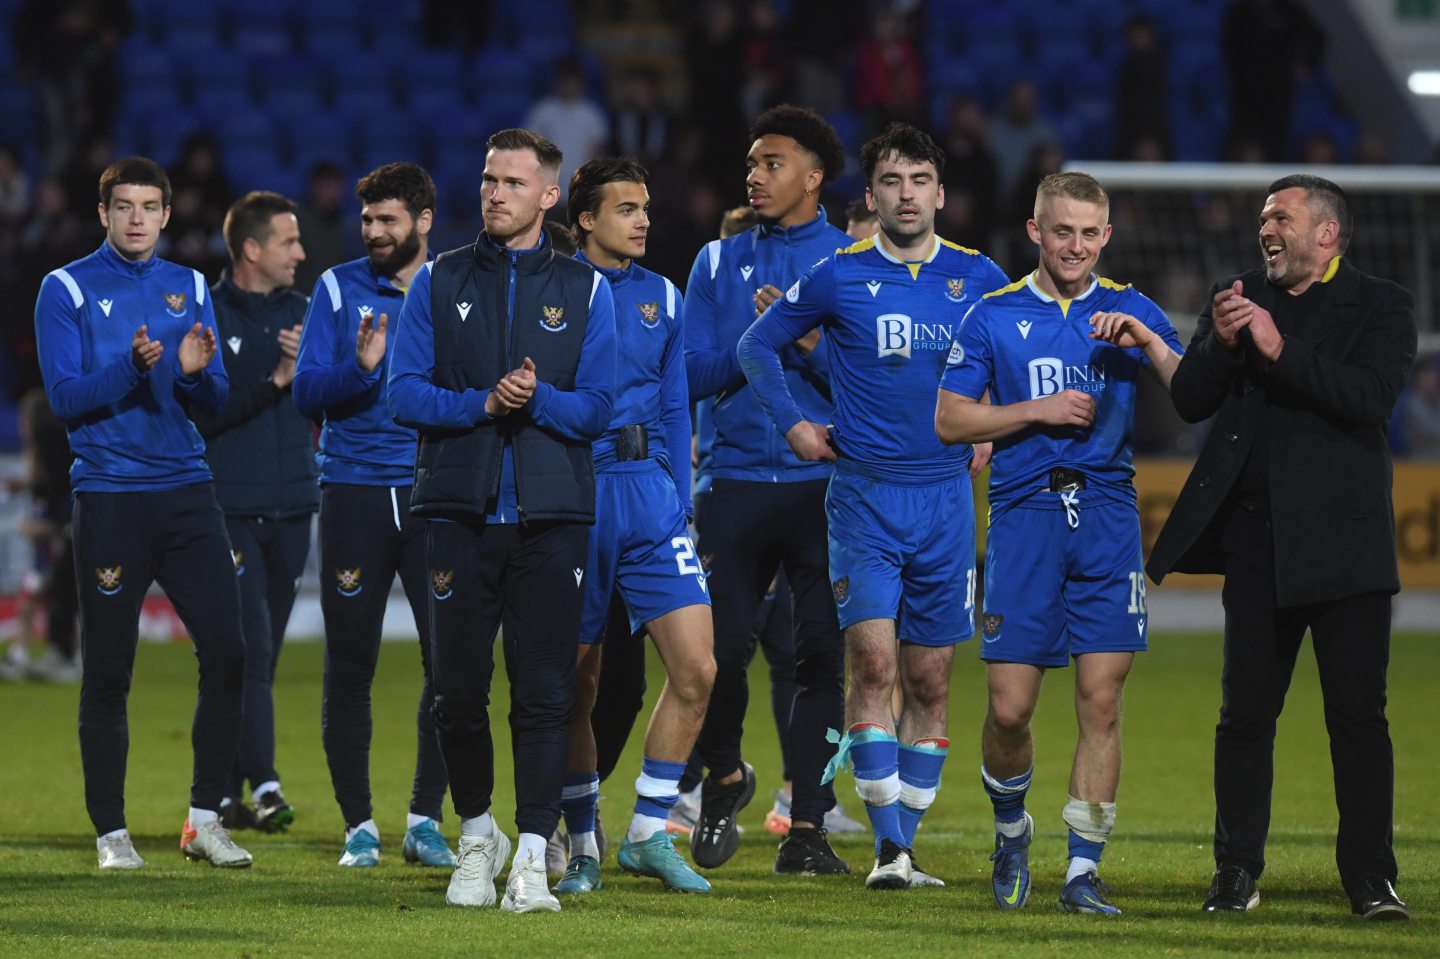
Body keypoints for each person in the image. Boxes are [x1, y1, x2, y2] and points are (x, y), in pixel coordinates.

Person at [740, 122, 1006, 889]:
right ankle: (890, 850)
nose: (907, 194)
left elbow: (1008, 357)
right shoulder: (839, 274)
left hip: (947, 502)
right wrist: (793, 423)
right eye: (891, 181)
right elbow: (756, 346)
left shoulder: (980, 276)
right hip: (863, 496)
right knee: (875, 663)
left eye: (919, 180)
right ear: (871, 195)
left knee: (929, 681)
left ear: (941, 193)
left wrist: (988, 416)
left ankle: (904, 842)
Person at [1147, 174, 1415, 920]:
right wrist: (1229, 342)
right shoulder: (1235, 295)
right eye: (1263, 216)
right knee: (1244, 718)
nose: (1266, 228)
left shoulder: (1383, 305)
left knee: (1358, 719)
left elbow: (1368, 399)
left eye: (1282, 217)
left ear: (1326, 233)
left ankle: (1370, 878)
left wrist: (1276, 344)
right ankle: (1235, 871)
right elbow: (1192, 397)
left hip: (1346, 546)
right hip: (1258, 541)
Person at [935, 171, 1183, 914]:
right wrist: (1035, 408)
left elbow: (1193, 386)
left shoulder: (1130, 309)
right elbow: (950, 420)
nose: (1075, 245)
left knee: (1100, 702)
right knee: (1009, 709)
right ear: (1036, 231)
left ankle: (1081, 869)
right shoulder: (993, 314)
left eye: (1089, 232)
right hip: (1023, 518)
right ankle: (1011, 827)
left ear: (1105, 237)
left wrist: (1147, 338)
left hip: (1108, 516)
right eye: (1061, 230)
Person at [387, 128, 616, 913]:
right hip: (457, 510)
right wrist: (483, 403)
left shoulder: (587, 290)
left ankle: (529, 853)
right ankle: (477, 833)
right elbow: (403, 393)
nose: (494, 193)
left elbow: (599, 406)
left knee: (546, 691)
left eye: (513, 183)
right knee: (455, 690)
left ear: (549, 196)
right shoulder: (438, 280)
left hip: (552, 516)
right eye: (488, 179)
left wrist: (538, 399)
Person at [34, 155, 252, 870]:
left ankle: (203, 819)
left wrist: (191, 375)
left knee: (229, 651)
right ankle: (111, 832)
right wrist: (132, 368)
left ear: (165, 214)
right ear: (103, 213)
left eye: (149, 206)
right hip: (110, 496)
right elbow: (64, 399)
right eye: (122, 205)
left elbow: (216, 398)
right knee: (111, 670)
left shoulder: (189, 284)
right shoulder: (63, 288)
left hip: (188, 492)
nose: (136, 218)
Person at [683, 104, 850, 876]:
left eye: (773, 162)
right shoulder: (716, 264)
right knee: (715, 656)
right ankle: (724, 778)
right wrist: (761, 346)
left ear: (814, 178)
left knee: (820, 655)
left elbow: (874, 389)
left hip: (826, 483)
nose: (754, 173)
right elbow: (688, 371)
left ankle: (808, 829)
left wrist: (805, 344)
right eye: (751, 162)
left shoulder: (856, 262)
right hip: (737, 479)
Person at [546, 156, 715, 897]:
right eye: (626, 208)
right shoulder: (552, 291)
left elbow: (678, 404)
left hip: (649, 492)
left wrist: (679, 499)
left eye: (646, 206)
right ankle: (581, 837)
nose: (644, 219)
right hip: (578, 489)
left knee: (697, 668)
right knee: (576, 681)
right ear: (586, 219)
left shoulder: (664, 296)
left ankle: (649, 829)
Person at [292, 162, 455, 870]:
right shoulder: (336, 287)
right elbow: (305, 393)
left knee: (451, 663)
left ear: (423, 221)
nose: (374, 233)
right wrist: (361, 370)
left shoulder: (453, 286)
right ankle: (359, 825)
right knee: (350, 663)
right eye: (367, 221)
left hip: (435, 493)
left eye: (388, 220)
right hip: (355, 491)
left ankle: (425, 818)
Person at [191, 191, 316, 832]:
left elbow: (327, 400)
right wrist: (277, 380)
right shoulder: (205, 313)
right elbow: (204, 412)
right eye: (288, 242)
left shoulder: (308, 312)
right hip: (230, 507)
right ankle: (266, 786)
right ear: (251, 250)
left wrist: (326, 370)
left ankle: (220, 796)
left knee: (256, 662)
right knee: (248, 647)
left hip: (293, 505)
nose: (301, 253)